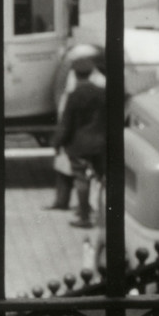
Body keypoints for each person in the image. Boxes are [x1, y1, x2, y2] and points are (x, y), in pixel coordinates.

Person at [54, 48, 106, 229]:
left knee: (81, 179)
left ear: (75, 74)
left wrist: (57, 143)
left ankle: (84, 218)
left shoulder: (74, 95)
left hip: (79, 146)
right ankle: (105, 215)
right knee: (103, 178)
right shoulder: (102, 92)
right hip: (101, 144)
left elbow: (66, 124)